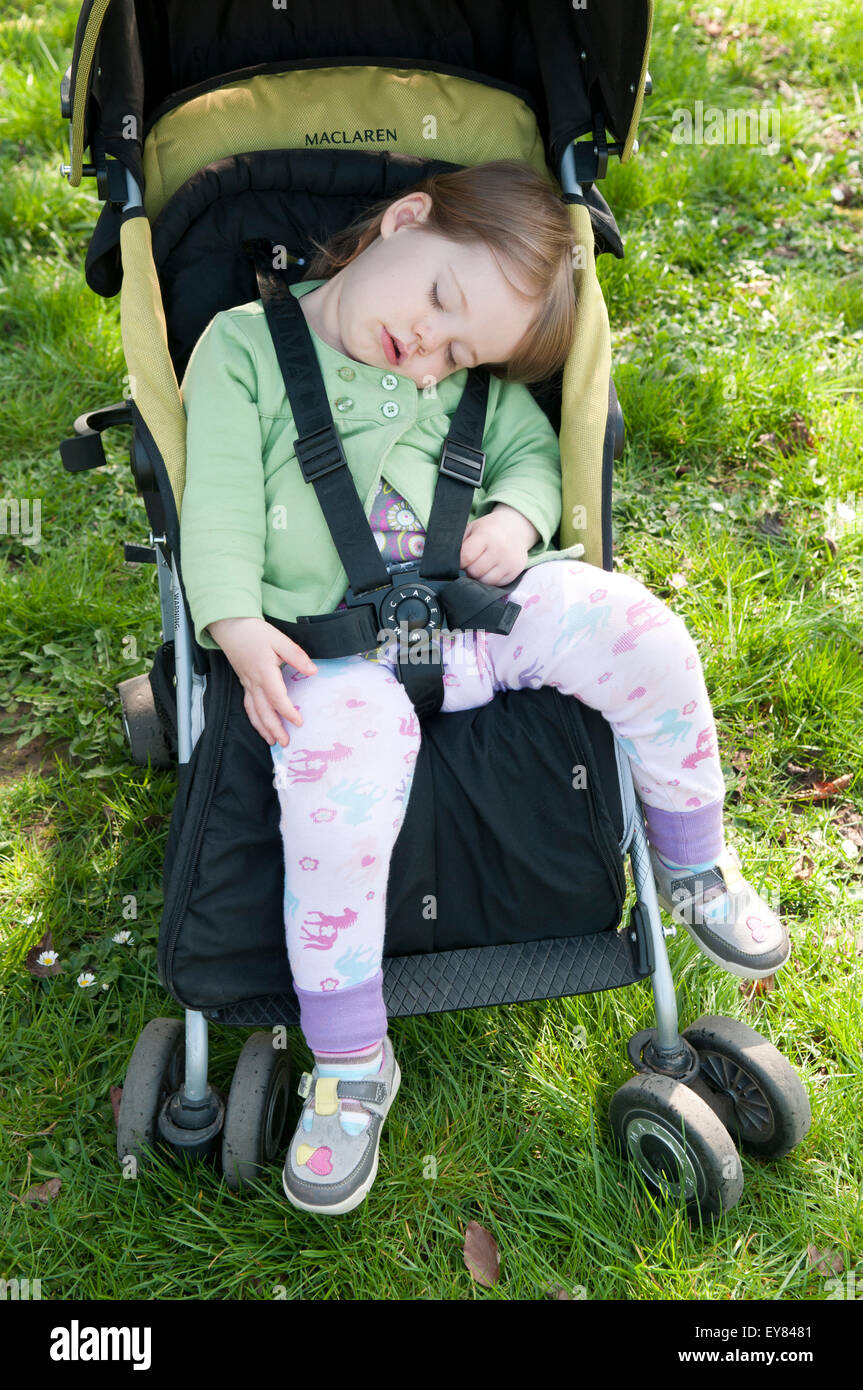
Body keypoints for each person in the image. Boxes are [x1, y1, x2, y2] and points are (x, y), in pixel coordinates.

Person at [179, 160, 790, 1216]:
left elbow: (525, 453)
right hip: (326, 657)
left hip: (475, 619)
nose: (430, 353)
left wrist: (513, 513)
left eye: (462, 352)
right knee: (329, 793)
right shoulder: (244, 347)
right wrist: (233, 617)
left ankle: (690, 862)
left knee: (638, 630)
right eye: (437, 306)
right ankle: (350, 1056)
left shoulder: (463, 382)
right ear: (403, 221)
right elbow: (223, 496)